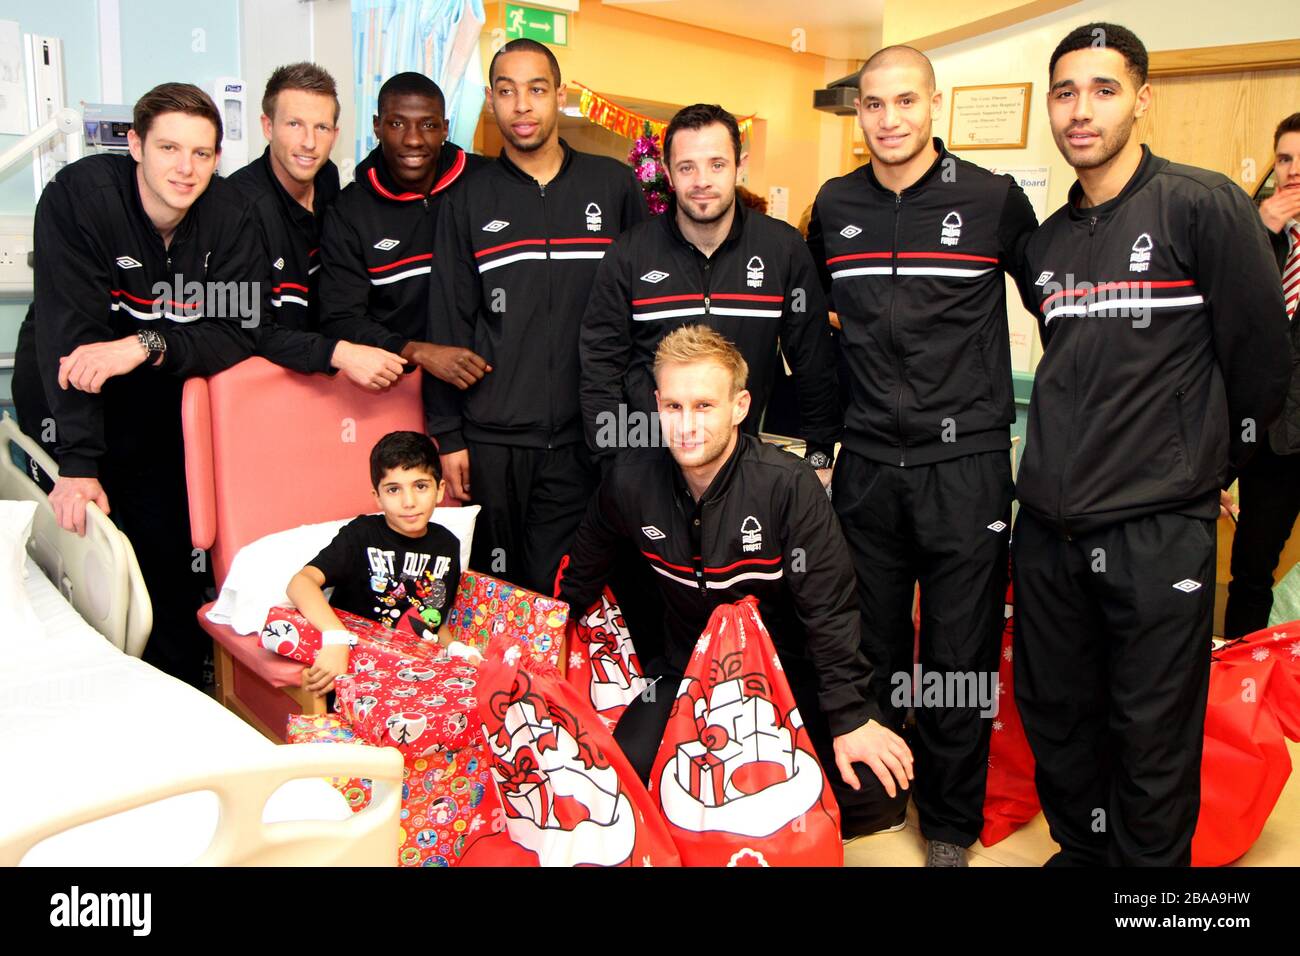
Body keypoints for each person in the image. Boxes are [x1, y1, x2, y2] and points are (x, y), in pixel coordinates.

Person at [1013, 23, 1290, 866]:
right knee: (1058, 716)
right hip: (1050, 530)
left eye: (1103, 89)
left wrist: (1198, 468)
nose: (1080, 110)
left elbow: (1262, 363)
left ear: (1142, 99)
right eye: (1065, 92)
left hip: (1157, 530)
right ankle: (1085, 850)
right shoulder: (1045, 244)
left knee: (1152, 729)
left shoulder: (1202, 206)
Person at [806, 45, 1038, 866]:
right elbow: (815, 334)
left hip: (964, 464)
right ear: (858, 112)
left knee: (957, 653)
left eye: (906, 101)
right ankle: (871, 804)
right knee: (865, 645)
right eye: (873, 104)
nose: (890, 119)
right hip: (866, 465)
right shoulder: (834, 206)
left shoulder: (991, 199)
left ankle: (947, 823)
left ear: (933, 105)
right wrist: (819, 447)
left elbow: (1059, 310)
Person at [558, 325, 914, 840]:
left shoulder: (787, 485)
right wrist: (536, 640)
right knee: (628, 781)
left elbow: (830, 611)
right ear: (656, 404)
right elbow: (582, 571)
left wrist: (851, 717)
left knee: (874, 795)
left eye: (704, 406)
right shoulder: (630, 479)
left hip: (787, 675)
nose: (686, 425)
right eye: (674, 407)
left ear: (740, 406)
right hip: (684, 671)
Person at [11, 83, 260, 687]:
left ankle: (173, 689)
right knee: (81, 553)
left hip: (157, 392)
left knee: (168, 559)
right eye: (170, 148)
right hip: (65, 390)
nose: (185, 167)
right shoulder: (81, 199)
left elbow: (238, 331)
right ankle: (80, 688)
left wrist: (146, 344)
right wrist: (77, 463)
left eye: (202, 153)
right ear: (134, 146)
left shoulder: (229, 216)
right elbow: (71, 342)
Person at [430, 38, 647, 594]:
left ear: (560, 94)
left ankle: (559, 686)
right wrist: (449, 434)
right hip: (493, 440)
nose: (521, 105)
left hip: (589, 438)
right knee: (493, 596)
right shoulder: (466, 199)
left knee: (568, 594)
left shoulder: (613, 186)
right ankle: (504, 686)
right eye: (506, 91)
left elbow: (644, 311)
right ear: (490, 100)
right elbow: (448, 320)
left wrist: (633, 423)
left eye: (535, 89)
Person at [581, 103, 841, 482]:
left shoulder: (782, 249)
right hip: (648, 465)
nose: (702, 180)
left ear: (740, 165)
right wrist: (613, 460)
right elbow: (600, 365)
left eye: (717, 164)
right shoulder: (629, 254)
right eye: (687, 167)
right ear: (668, 172)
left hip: (744, 465)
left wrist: (820, 452)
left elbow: (813, 359)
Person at [229, 62, 406, 390]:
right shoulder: (239, 208)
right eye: (294, 124)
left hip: (319, 380)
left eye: (321, 127)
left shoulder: (326, 178)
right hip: (261, 387)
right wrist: (341, 353)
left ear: (335, 134)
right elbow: (248, 330)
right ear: (267, 126)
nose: (309, 142)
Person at [318, 72, 491, 393]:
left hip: (489, 383)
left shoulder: (486, 184)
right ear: (377, 126)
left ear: (444, 129)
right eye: (397, 124)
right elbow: (339, 318)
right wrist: (417, 351)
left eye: (427, 124)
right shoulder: (350, 211)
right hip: (396, 390)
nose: (413, 139)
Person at [287, 431, 461, 697]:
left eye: (421, 486)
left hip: (417, 675)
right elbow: (301, 583)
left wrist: (455, 649)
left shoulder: (447, 544)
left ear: (439, 490)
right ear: (377, 497)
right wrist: (335, 638)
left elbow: (434, 618)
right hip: (357, 670)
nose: (409, 502)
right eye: (393, 489)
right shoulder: (361, 534)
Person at [1224, 112, 1300, 637]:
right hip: (1272, 442)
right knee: (1251, 576)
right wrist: (1265, 233)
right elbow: (1231, 319)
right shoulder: (1248, 230)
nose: (1293, 171)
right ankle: (1238, 691)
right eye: (1286, 158)